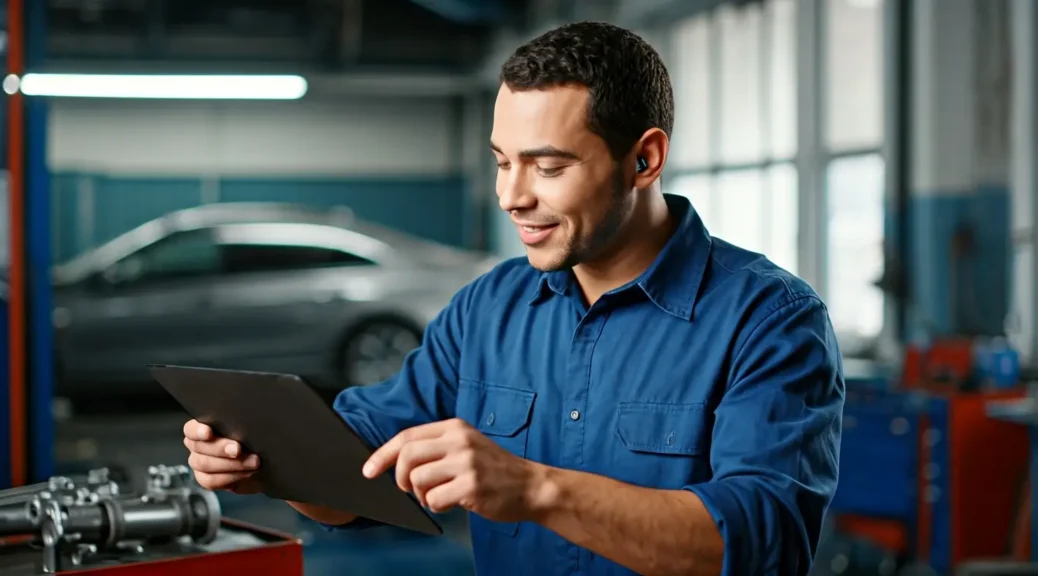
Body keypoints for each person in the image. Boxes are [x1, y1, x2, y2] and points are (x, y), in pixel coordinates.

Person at [182, 20, 844, 576]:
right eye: (503, 161)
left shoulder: (770, 320)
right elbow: (360, 474)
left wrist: (536, 489)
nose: (512, 196)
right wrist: (273, 464)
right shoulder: (486, 310)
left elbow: (764, 544)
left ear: (643, 160)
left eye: (548, 167)